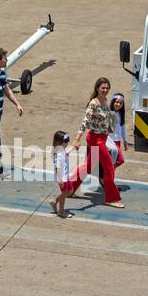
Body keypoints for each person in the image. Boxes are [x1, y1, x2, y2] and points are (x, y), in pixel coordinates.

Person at [77, 77, 124, 207]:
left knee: (88, 167)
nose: (105, 90)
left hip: (101, 138)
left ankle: (69, 187)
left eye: (107, 88)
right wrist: (77, 139)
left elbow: (107, 120)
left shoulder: (105, 101)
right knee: (109, 167)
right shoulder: (94, 103)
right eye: (103, 87)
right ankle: (111, 198)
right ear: (97, 88)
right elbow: (85, 121)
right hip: (95, 139)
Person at [51, 130, 88, 218]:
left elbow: (66, 153)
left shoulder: (61, 149)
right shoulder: (58, 153)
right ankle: (61, 211)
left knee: (70, 191)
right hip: (62, 178)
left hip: (65, 177)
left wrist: (74, 147)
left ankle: (55, 201)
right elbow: (58, 167)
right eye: (66, 142)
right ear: (60, 142)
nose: (67, 143)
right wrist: (60, 179)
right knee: (64, 194)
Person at [109, 92, 128, 168]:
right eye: (117, 102)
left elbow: (123, 128)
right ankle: (109, 172)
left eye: (120, 103)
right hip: (110, 141)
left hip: (117, 141)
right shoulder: (109, 113)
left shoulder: (121, 115)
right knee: (120, 160)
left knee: (115, 161)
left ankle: (110, 173)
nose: (118, 104)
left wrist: (125, 141)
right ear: (113, 102)